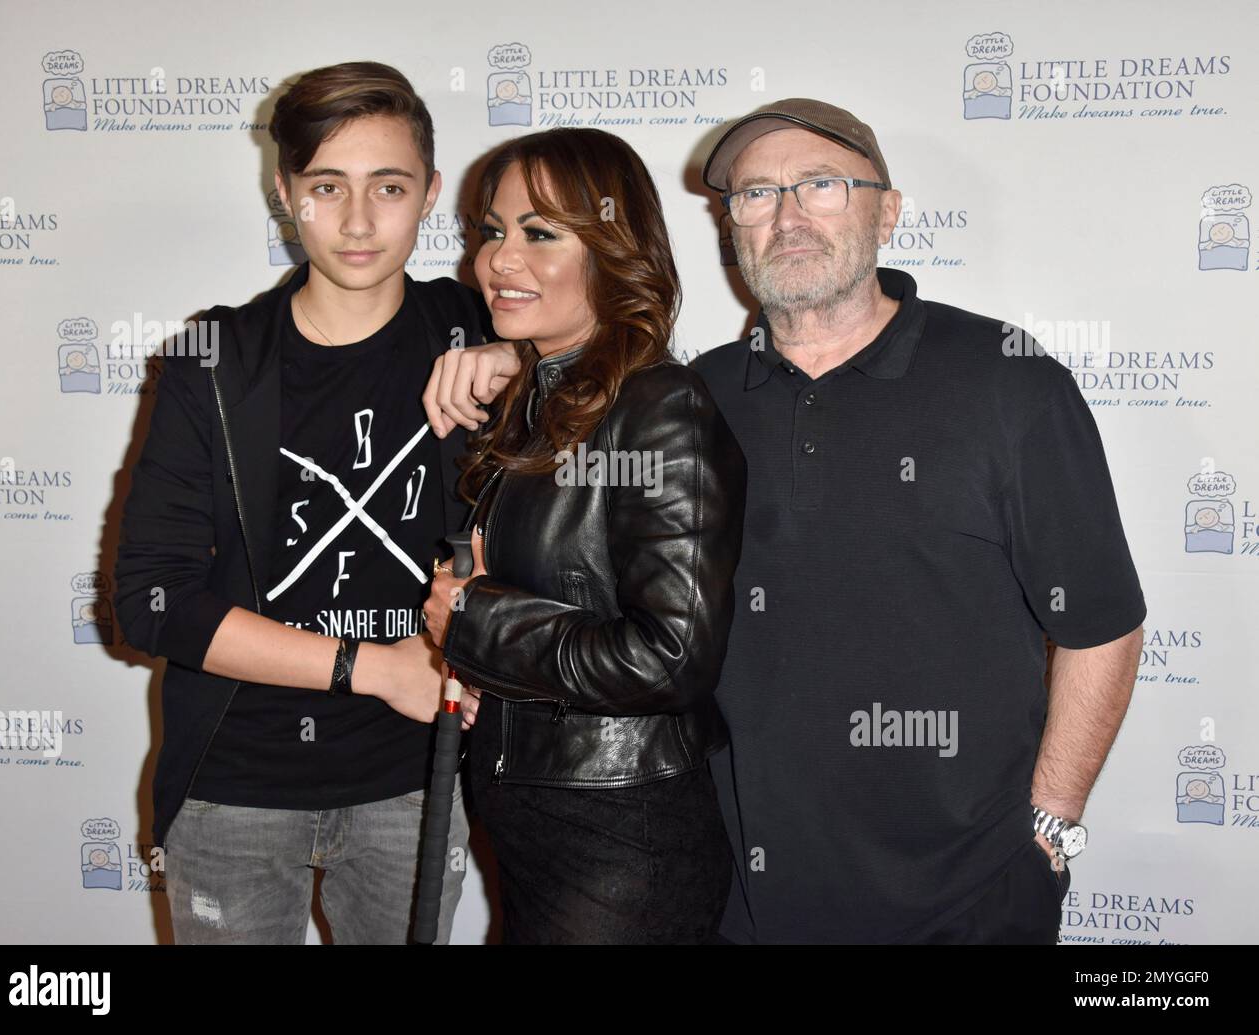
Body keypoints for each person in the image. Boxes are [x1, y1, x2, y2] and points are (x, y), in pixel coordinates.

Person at [425, 99, 1146, 945]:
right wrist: (516, 358)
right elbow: (595, 391)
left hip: (969, 901)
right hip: (739, 899)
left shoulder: (1008, 384)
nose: (788, 215)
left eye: (822, 185)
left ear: (889, 209)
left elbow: (1102, 625)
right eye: (756, 194)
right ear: (730, 226)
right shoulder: (702, 393)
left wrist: (1052, 825)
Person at [113, 62, 486, 944]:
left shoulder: (477, 329)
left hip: (419, 777)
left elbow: (624, 365)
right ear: (284, 192)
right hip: (235, 780)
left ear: (430, 192)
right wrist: (372, 667)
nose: (358, 221)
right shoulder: (214, 355)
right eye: (327, 186)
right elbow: (151, 599)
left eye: (388, 187)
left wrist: (518, 359)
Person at [421, 127, 747, 944]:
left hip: (621, 837)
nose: (499, 259)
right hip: (535, 820)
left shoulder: (660, 408)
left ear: (611, 246)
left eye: (540, 232)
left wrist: (472, 620)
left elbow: (668, 655)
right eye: (492, 230)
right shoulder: (541, 400)